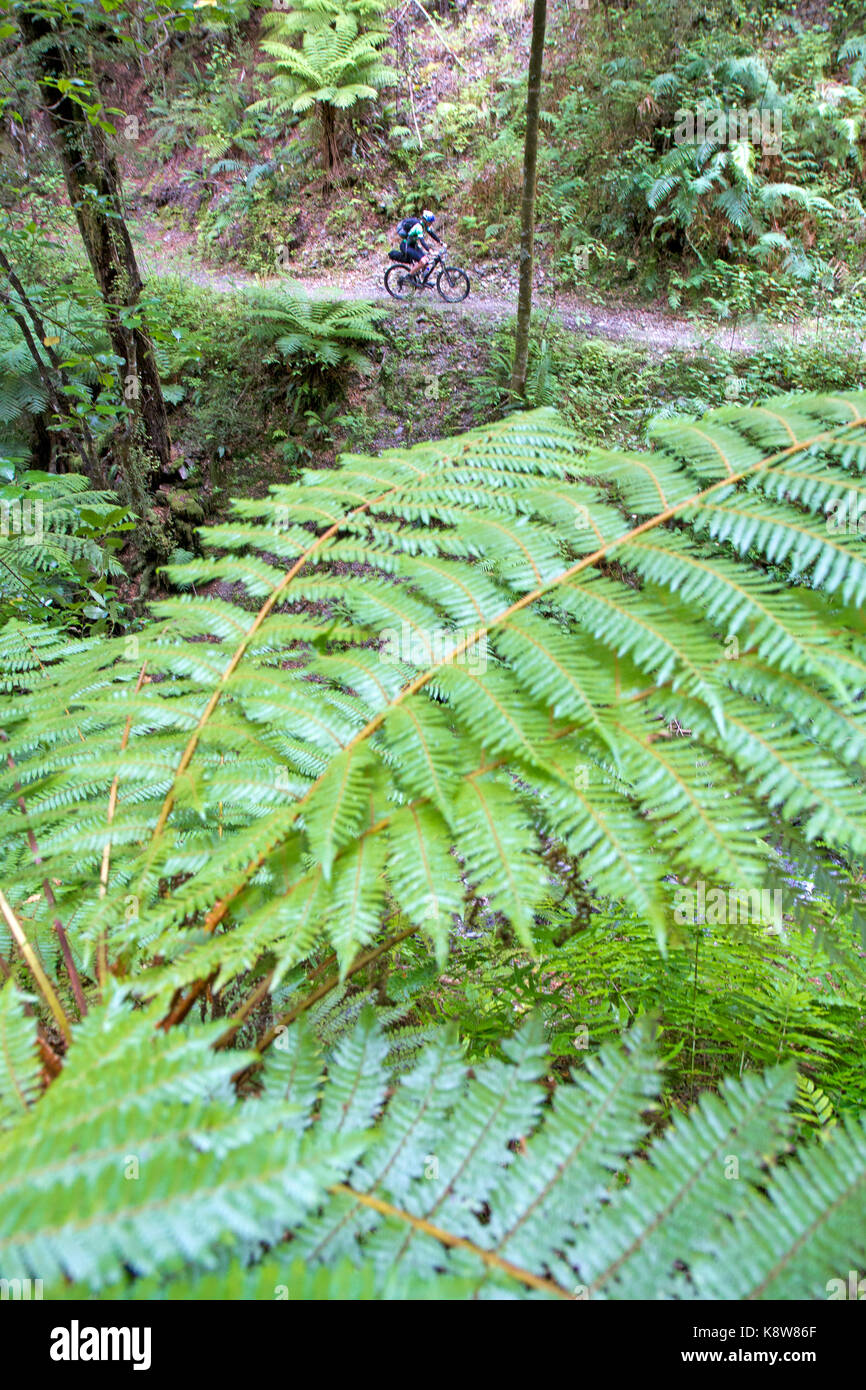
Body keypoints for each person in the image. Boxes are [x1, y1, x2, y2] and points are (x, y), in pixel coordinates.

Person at [397, 210, 443, 280]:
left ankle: (423, 278)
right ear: (425, 221)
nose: (431, 223)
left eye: (431, 222)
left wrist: (440, 242)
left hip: (413, 245)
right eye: (430, 222)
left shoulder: (425, 226)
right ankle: (408, 277)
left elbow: (432, 234)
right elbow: (422, 242)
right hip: (406, 246)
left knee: (427, 261)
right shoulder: (418, 227)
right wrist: (430, 250)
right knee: (423, 262)